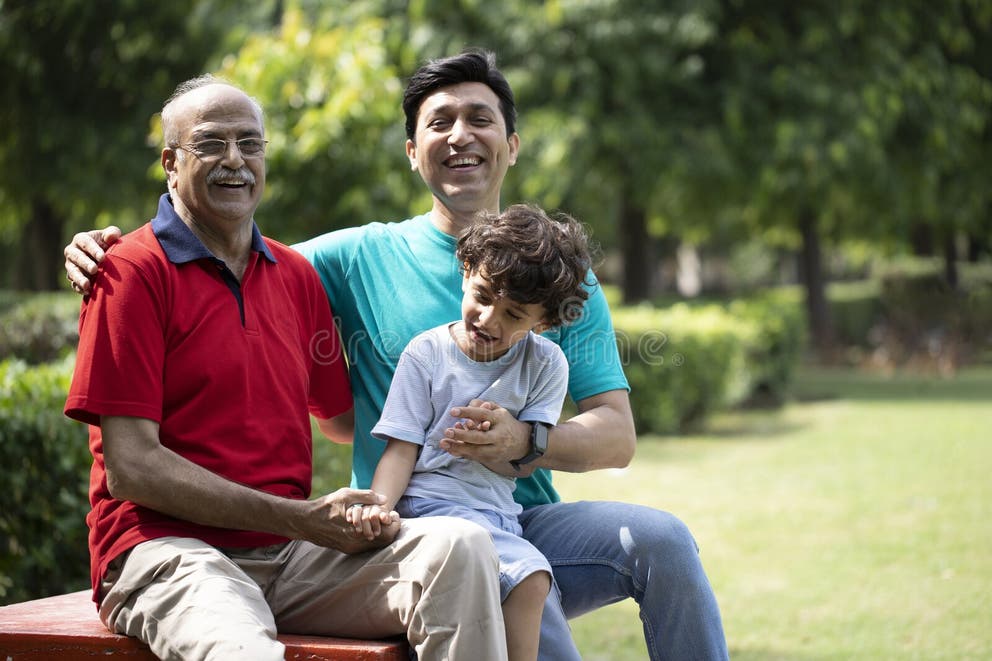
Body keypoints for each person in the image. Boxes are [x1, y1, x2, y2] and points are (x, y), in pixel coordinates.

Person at [65, 51, 730, 660]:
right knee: (518, 581)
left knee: (658, 541)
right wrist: (103, 250)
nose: (461, 136)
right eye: (440, 122)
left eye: (481, 118)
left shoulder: (564, 279)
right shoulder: (341, 260)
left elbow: (616, 435)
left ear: (513, 144)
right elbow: (216, 246)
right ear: (413, 152)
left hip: (514, 511)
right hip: (409, 515)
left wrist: (522, 441)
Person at [63, 74, 508, 661]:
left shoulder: (296, 276)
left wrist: (476, 387)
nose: (235, 160)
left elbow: (344, 418)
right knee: (241, 650)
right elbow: (132, 468)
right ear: (171, 162)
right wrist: (300, 518)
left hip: (289, 553)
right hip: (166, 551)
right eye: (210, 144)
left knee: (463, 548)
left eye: (250, 144)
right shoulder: (130, 272)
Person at [347, 204, 593, 661]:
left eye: (514, 315)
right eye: (482, 295)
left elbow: (523, 457)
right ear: (465, 272)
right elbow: (401, 449)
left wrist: (498, 442)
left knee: (526, 588)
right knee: (532, 578)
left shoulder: (545, 364)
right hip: (429, 508)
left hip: (498, 515)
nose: (488, 319)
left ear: (542, 323)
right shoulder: (426, 353)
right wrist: (379, 508)